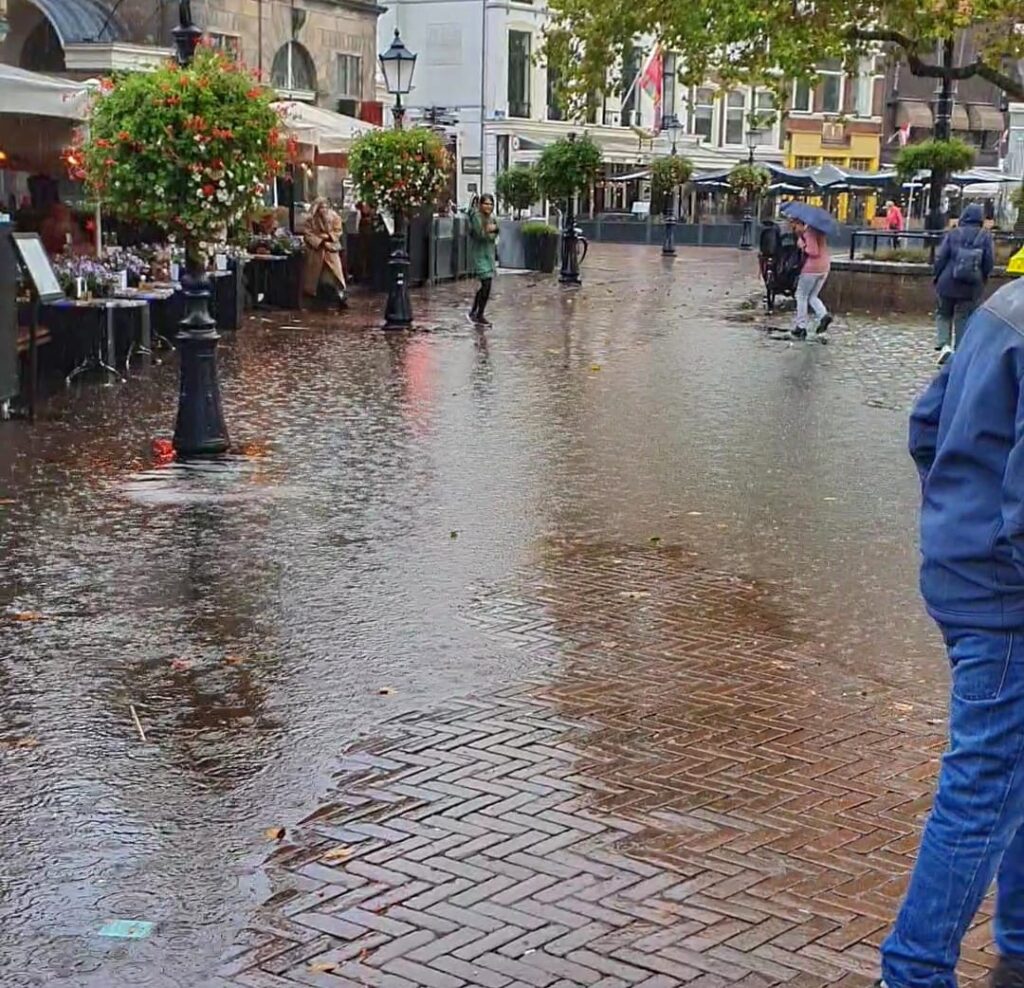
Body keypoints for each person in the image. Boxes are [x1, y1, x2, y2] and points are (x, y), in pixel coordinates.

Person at [879, 275, 1024, 988]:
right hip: (1006, 599)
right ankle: (912, 974)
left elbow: (925, 425)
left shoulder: (1006, 303)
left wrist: (955, 520)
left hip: (963, 571)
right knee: (983, 788)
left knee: (1009, 768)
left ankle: (1022, 939)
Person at [932, 202, 993, 367]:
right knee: (963, 317)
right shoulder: (985, 236)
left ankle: (944, 345)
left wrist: (936, 276)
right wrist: (983, 279)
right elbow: (988, 262)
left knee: (943, 314)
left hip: (947, 282)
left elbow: (941, 257)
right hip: (971, 285)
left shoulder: (953, 233)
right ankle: (959, 353)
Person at [790, 218, 832, 339]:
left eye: (795, 225)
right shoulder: (819, 231)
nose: (794, 229)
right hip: (824, 267)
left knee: (801, 296)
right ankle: (823, 315)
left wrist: (802, 245)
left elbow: (813, 251)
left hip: (811, 268)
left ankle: (801, 327)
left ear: (800, 223)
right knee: (813, 296)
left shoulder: (809, 232)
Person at [302, 198, 347, 308]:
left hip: (331, 251)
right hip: (316, 252)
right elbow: (308, 234)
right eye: (321, 207)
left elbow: (338, 231)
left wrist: (328, 237)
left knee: (334, 276)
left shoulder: (334, 217)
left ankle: (338, 296)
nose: (323, 210)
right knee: (316, 277)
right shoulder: (311, 220)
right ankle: (317, 299)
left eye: (325, 207)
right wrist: (319, 241)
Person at [467, 193, 498, 327]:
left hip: (489, 255)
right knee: (486, 284)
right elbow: (480, 234)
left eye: (491, 204)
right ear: (480, 205)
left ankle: (474, 311)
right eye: (486, 203)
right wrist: (489, 230)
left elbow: (496, 232)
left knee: (484, 285)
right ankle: (479, 314)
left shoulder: (492, 218)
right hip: (479, 255)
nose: (488, 206)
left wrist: (493, 230)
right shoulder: (476, 217)